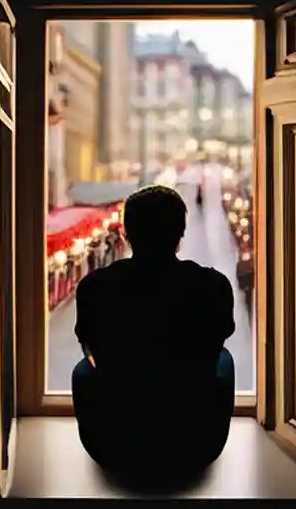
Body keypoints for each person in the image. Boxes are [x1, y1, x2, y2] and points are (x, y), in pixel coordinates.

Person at [72, 185, 235, 480]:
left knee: (83, 370)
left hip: (112, 447)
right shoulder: (212, 286)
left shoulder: (95, 288)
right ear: (181, 234)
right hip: (196, 446)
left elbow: (89, 346)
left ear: (126, 233)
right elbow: (218, 339)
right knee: (224, 359)